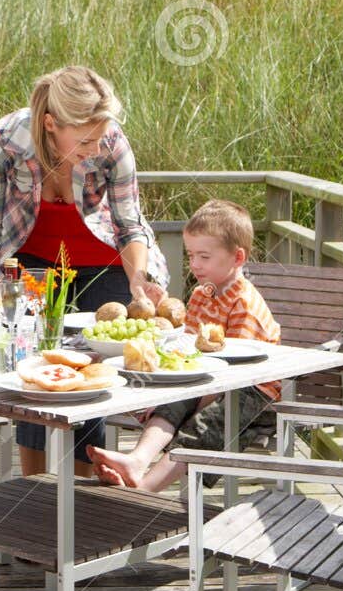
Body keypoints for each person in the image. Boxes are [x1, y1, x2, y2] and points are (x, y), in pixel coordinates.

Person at [0, 65, 167, 475]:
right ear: (50, 125)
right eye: (85, 141)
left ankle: (79, 499)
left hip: (107, 262)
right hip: (32, 265)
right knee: (35, 364)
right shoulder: (3, 143)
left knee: (91, 368)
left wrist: (138, 279)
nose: (96, 148)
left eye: (99, 138)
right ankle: (35, 491)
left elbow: (129, 224)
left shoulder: (112, 142)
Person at [89, 199, 280, 492]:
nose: (194, 264)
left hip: (252, 393)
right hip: (209, 382)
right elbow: (186, 352)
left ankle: (144, 490)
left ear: (237, 257)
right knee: (173, 403)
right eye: (191, 255)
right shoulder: (202, 295)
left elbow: (239, 375)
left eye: (204, 257)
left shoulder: (245, 304)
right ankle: (138, 460)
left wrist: (193, 399)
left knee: (203, 426)